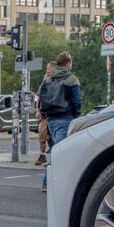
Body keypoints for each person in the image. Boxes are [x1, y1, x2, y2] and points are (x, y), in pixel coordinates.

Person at [38, 52, 82, 194]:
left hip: (50, 120)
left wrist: (45, 116)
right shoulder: (72, 79)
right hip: (65, 118)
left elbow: (42, 100)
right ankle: (50, 183)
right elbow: (77, 102)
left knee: (54, 151)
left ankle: (48, 182)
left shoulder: (49, 79)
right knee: (59, 154)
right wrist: (76, 118)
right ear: (68, 63)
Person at [35, 62, 56, 166]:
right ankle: (42, 155)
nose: (46, 70)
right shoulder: (44, 82)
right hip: (44, 114)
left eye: (48, 68)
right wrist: (37, 109)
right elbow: (38, 97)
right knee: (42, 135)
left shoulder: (56, 82)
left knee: (49, 136)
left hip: (51, 114)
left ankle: (51, 154)